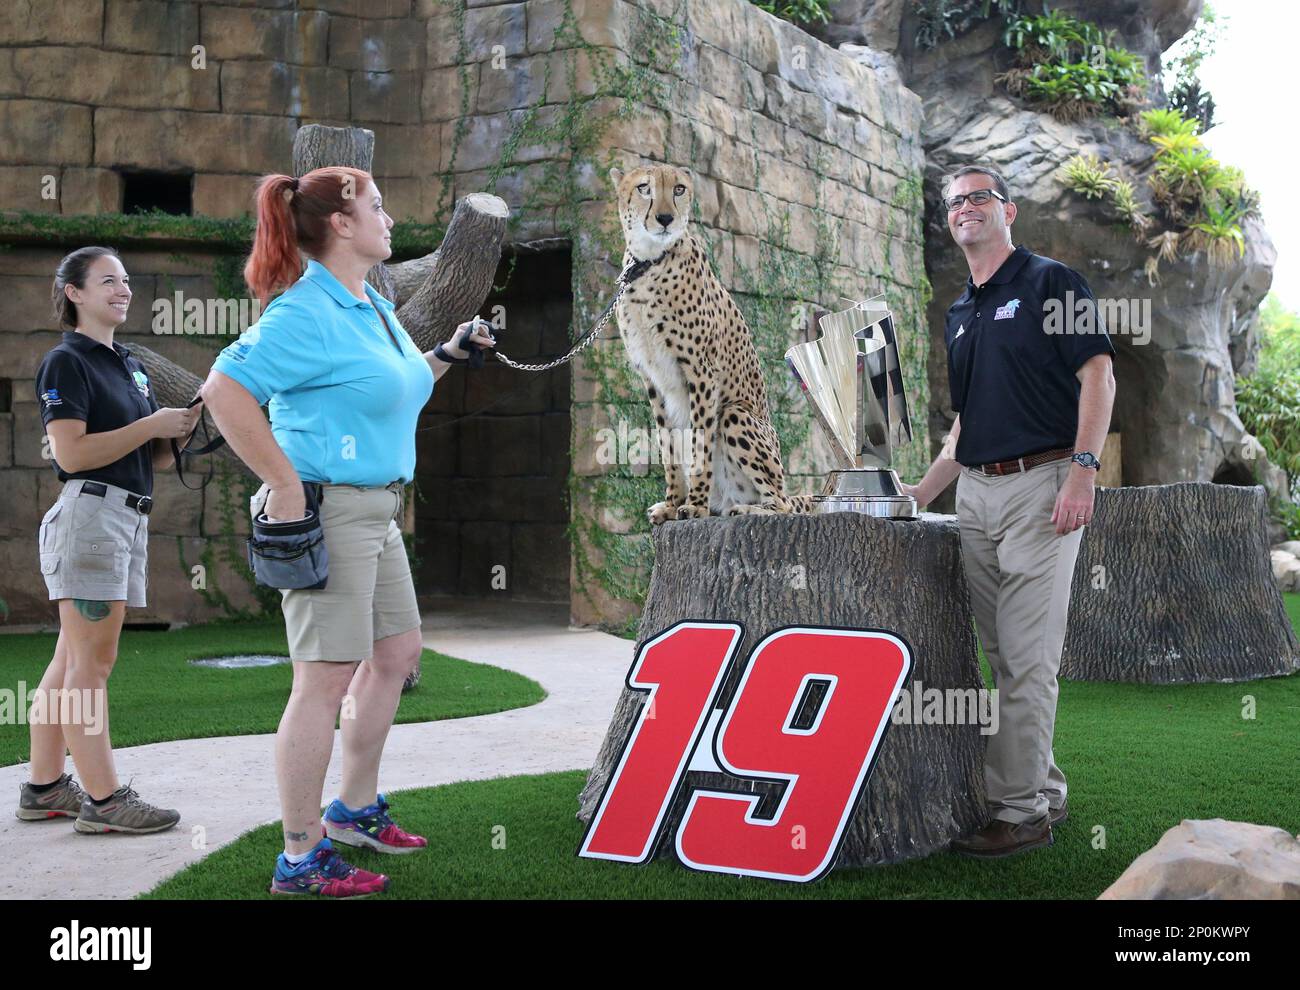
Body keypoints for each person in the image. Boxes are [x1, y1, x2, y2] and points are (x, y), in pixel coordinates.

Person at [201, 167, 496, 897]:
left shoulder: (370, 305)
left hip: (378, 510)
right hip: (329, 512)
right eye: (376, 205)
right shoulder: (305, 312)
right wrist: (283, 483)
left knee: (395, 654)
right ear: (340, 222)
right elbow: (223, 390)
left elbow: (397, 386)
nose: (388, 218)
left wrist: (448, 353)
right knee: (324, 681)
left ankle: (353, 811)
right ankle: (299, 858)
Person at [903, 165, 1116, 857]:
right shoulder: (960, 312)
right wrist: (921, 492)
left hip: (1044, 484)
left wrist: (1083, 474)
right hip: (979, 495)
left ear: (1008, 210)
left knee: (1026, 661)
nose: (965, 209)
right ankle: (1044, 790)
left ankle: (1019, 813)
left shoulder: (1052, 283)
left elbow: (1098, 375)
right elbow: (965, 424)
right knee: (1006, 657)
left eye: (978, 198)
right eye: (955, 203)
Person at [18, 246, 201, 833]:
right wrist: (151, 424)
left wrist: (177, 431)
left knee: (71, 658)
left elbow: (150, 459)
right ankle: (104, 801)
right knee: (92, 665)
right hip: (91, 522)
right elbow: (71, 455)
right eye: (107, 281)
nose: (123, 289)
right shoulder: (65, 362)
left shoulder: (126, 362)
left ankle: (45, 788)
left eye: (125, 280)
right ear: (73, 292)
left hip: (123, 518)